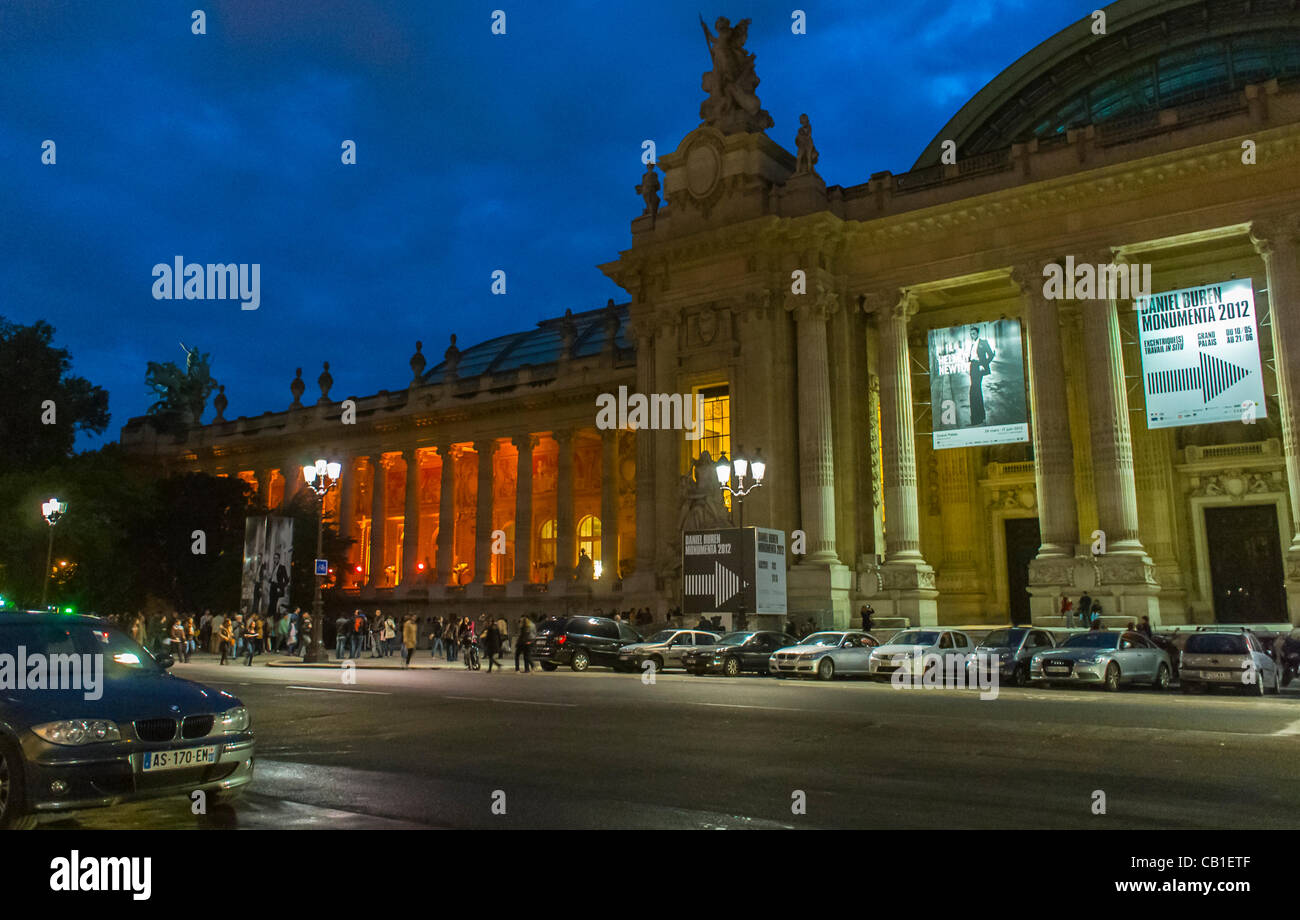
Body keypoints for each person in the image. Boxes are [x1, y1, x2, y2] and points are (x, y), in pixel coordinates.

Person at [963, 324, 995, 426]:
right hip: (973, 367)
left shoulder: (983, 342)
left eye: (974, 333)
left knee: (974, 391)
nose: (972, 335)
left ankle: (977, 419)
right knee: (975, 391)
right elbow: (973, 356)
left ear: (977, 333)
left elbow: (991, 355)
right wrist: (968, 359)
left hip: (979, 367)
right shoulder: (972, 344)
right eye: (971, 334)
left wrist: (983, 364)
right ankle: (979, 418)